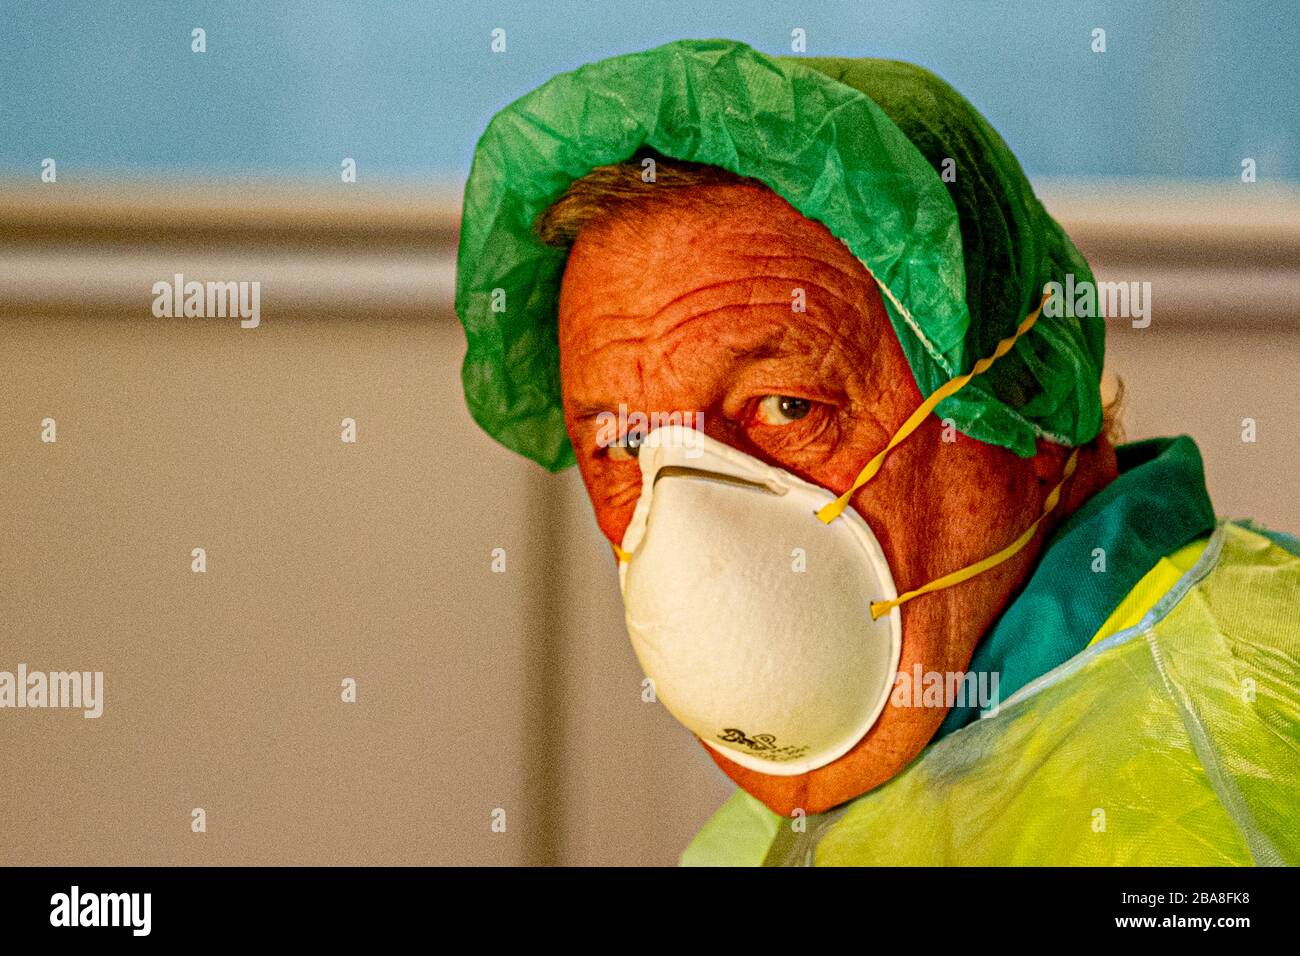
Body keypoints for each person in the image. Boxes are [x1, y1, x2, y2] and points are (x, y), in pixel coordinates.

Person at [454, 39, 1300, 865]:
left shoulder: (1203, 799)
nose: (691, 520)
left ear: (1023, 412)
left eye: (788, 407)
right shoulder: (946, 740)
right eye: (623, 441)